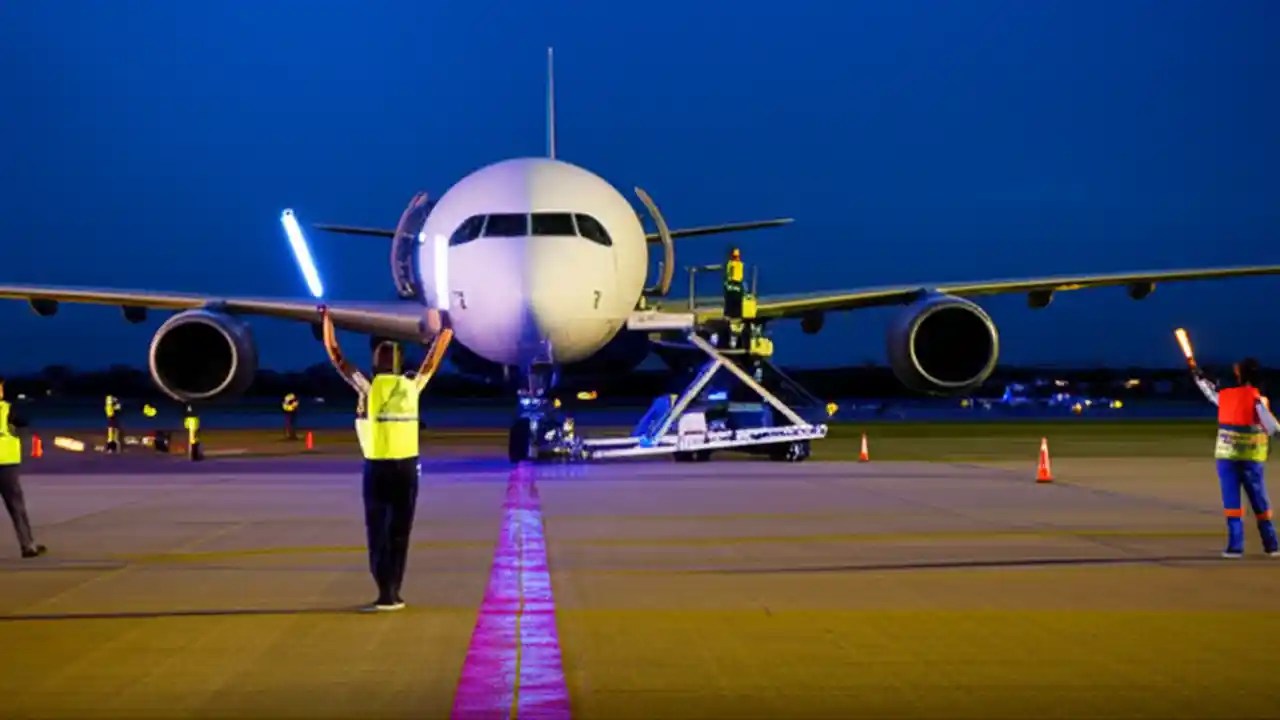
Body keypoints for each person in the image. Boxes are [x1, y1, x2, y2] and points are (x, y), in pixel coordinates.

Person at [320, 306, 453, 611]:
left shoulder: (369, 388)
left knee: (378, 529)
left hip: (378, 468)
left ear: (376, 362)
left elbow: (336, 356)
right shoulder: (411, 387)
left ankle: (385, 591)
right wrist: (446, 329)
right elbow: (433, 359)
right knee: (400, 531)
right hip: (407, 468)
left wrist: (327, 322)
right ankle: (394, 591)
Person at [1192, 357, 1280, 558]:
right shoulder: (1257, 398)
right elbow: (1272, 427)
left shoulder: (1226, 396)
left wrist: (1199, 377)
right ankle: (1271, 545)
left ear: (1239, 374)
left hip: (1227, 458)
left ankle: (1235, 546)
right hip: (1251, 459)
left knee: (1232, 503)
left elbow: (1210, 392)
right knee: (1259, 501)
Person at [0, 378, 47, 558]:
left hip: (7, 463)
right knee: (16, 507)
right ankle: (27, 545)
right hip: (6, 464)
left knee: (16, 506)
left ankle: (28, 544)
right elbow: (23, 423)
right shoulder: (7, 409)